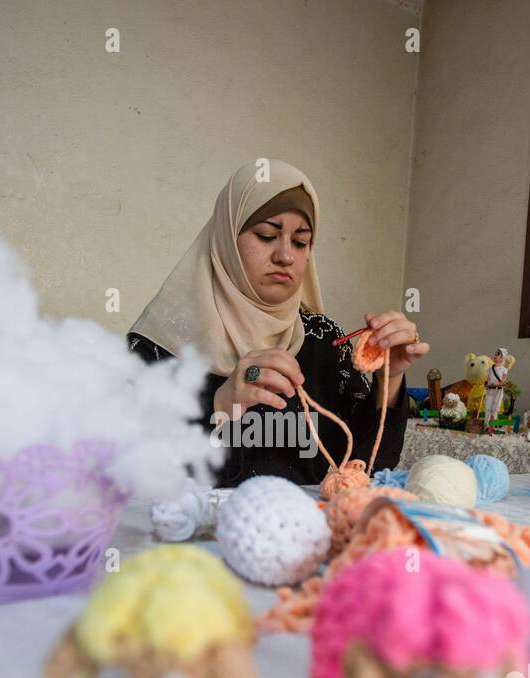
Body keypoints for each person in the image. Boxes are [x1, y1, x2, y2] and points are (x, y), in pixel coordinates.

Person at [127, 159, 430, 486]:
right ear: (226, 238)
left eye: (300, 242)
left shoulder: (325, 341)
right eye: (267, 235)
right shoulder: (160, 346)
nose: (285, 256)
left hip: (306, 530)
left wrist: (391, 378)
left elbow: (366, 467)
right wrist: (221, 407)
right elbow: (134, 475)